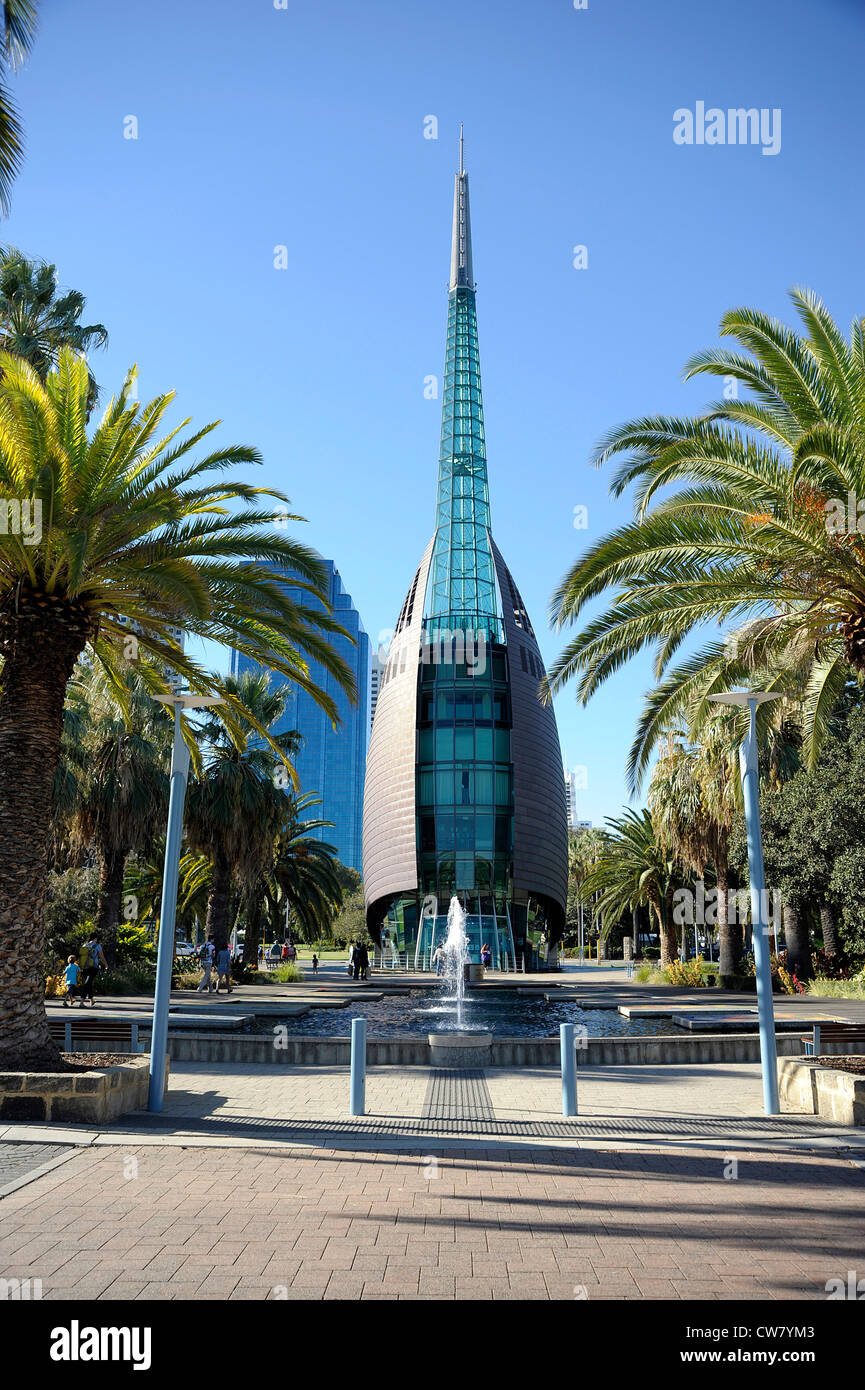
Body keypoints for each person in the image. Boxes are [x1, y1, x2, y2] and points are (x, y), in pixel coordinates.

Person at [78, 935, 106, 1006]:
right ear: (95, 938)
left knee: (88, 983)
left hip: (84, 967)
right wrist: (106, 964)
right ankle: (81, 1001)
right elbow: (101, 957)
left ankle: (92, 1000)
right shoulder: (97, 946)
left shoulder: (84, 945)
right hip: (92, 967)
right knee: (87, 983)